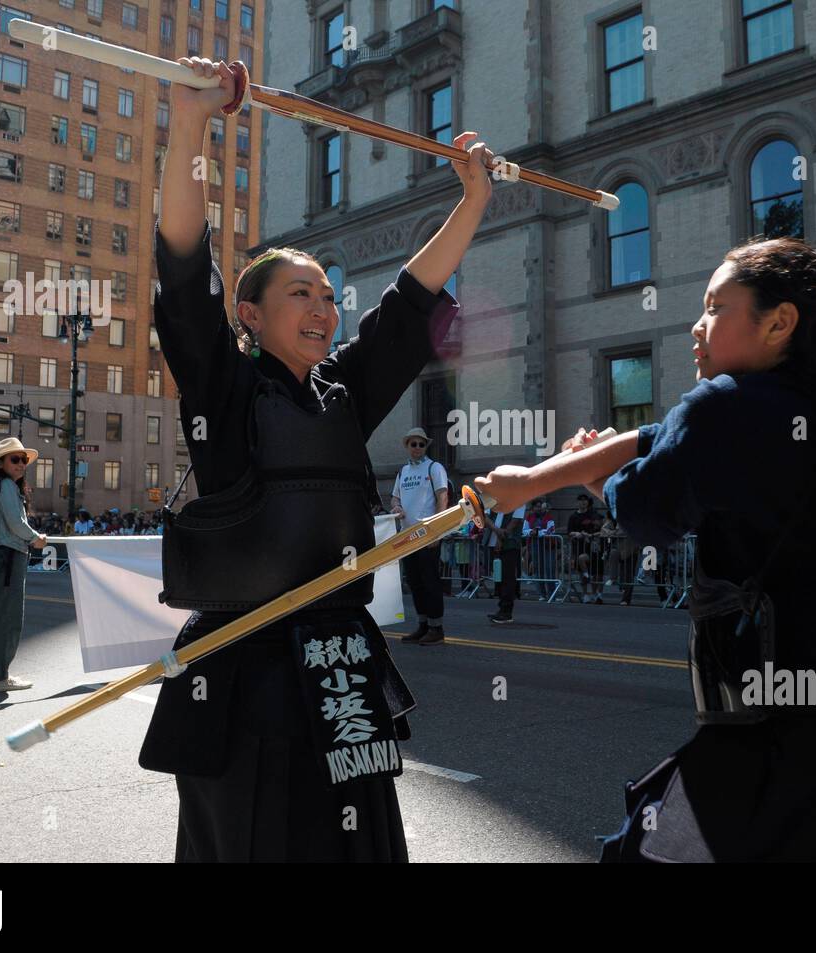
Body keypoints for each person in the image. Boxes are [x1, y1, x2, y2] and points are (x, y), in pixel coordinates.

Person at [477, 237, 816, 861]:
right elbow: (654, 437)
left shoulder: (727, 405)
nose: (697, 325)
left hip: (795, 733)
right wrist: (530, 482)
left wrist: (581, 478)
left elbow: (644, 512)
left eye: (716, 307)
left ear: (779, 323)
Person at [136, 55, 489, 863]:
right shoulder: (224, 388)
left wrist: (472, 199)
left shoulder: (345, 391)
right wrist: (189, 122)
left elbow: (408, 305)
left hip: (340, 664)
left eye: (329, 295)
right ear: (249, 315)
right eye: (301, 293)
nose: (324, 308)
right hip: (242, 672)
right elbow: (183, 271)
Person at [0, 438, 48, 691]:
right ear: (0, 463)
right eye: (14, 459)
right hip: (9, 555)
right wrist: (35, 538)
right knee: (8, 617)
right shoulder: (5, 485)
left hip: (3, 555)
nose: (21, 464)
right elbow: (16, 523)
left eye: (23, 459)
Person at [391, 427, 450, 645]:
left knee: (430, 581)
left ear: (426, 447)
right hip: (407, 536)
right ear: (407, 446)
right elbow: (395, 498)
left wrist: (438, 531)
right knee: (415, 582)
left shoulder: (434, 467)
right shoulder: (402, 471)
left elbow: (442, 498)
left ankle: (437, 628)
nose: (417, 447)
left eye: (421, 444)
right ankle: (423, 625)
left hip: (427, 534)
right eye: (413, 444)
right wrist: (397, 507)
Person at [483, 504, 525, 623]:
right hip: (493, 542)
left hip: (510, 543)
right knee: (499, 577)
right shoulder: (495, 498)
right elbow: (485, 516)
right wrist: (496, 530)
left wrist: (501, 537)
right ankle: (502, 608)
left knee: (508, 577)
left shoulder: (519, 499)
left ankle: (506, 611)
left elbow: (515, 521)